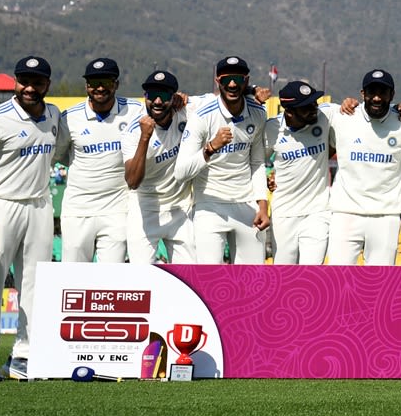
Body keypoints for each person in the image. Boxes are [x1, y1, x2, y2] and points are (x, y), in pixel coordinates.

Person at [0, 55, 67, 382]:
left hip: (39, 206)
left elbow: (61, 150)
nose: (29, 88)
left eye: (37, 82)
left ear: (47, 85)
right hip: (1, 206)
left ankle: (23, 356)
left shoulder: (53, 115)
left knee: (35, 287)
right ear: (15, 82)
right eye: (24, 81)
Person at [175, 56, 271, 264]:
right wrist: (210, 148)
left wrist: (262, 206)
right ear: (218, 81)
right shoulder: (201, 116)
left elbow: (257, 163)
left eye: (238, 78)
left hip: (246, 204)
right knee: (209, 280)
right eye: (227, 79)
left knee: (253, 280)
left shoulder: (258, 114)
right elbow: (181, 172)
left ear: (246, 81)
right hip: (209, 205)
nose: (233, 84)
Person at [329, 69, 401, 266]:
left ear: (392, 95)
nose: (376, 98)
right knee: (338, 282)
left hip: (386, 217)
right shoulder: (342, 118)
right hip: (345, 213)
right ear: (363, 94)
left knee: (379, 286)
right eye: (371, 92)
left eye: (382, 92)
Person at [58, 58, 139, 263]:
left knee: (110, 280)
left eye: (107, 82)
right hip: (78, 210)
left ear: (117, 84)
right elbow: (58, 156)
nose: (100, 88)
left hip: (117, 210)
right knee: (73, 279)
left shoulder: (135, 111)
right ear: (86, 85)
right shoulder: (69, 118)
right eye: (94, 83)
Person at [125, 70, 194, 263]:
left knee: (189, 278)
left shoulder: (185, 111)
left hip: (181, 207)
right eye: (151, 95)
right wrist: (145, 137)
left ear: (173, 98)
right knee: (141, 279)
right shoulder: (133, 131)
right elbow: (132, 181)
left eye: (163, 96)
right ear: (144, 97)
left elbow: (218, 99)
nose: (156, 101)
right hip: (145, 210)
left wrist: (252, 91)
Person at [264, 80, 335, 265]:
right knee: (284, 275)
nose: (314, 109)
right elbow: (253, 162)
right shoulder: (272, 129)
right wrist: (266, 177)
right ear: (289, 111)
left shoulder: (325, 115)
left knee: (311, 274)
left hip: (317, 212)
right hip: (284, 214)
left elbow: (356, 113)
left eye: (314, 103)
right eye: (307, 106)